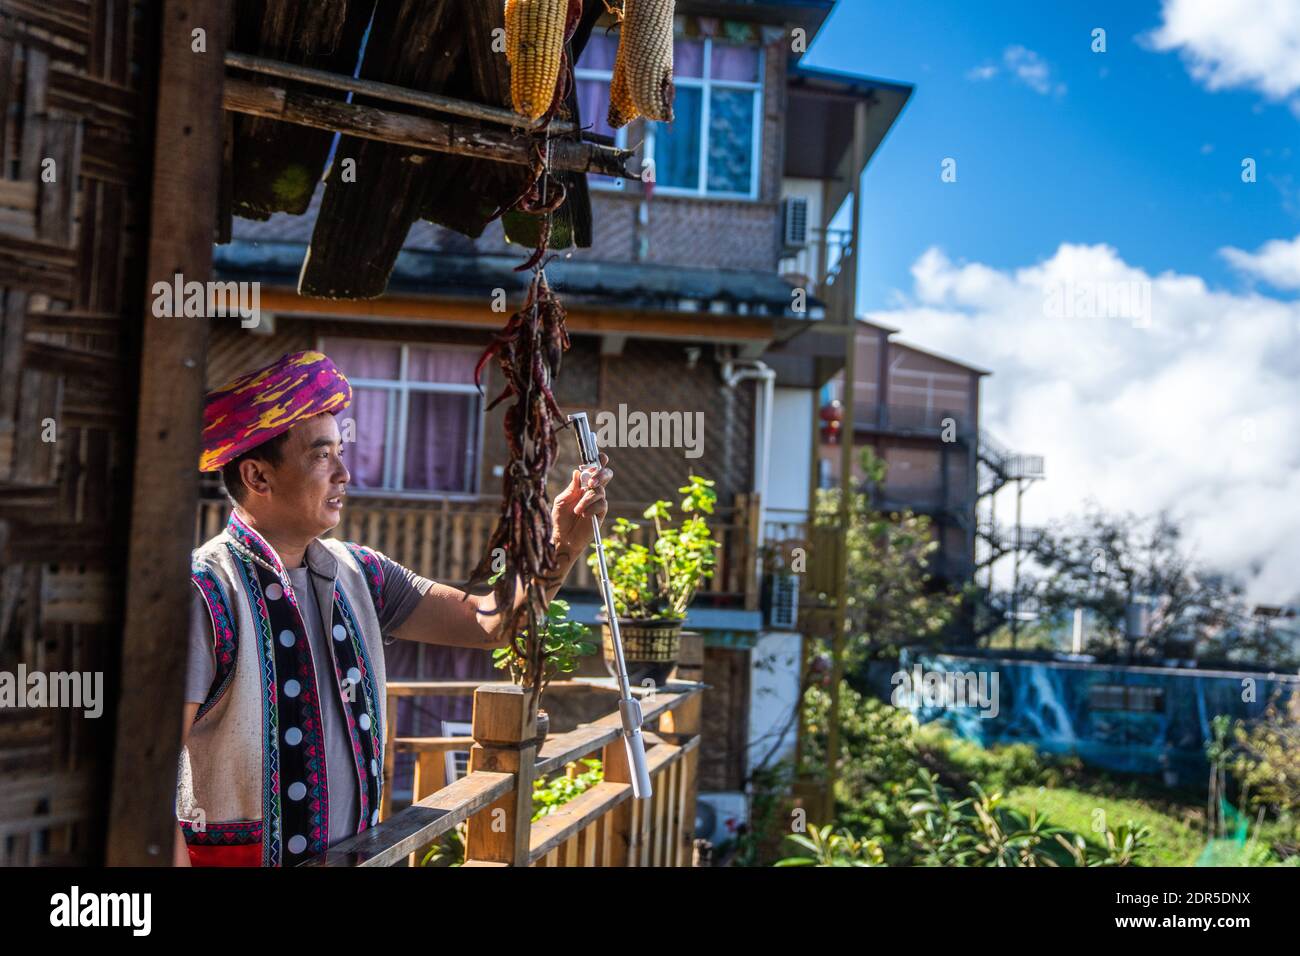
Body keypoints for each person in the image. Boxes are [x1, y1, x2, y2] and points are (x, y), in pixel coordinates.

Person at [175, 350, 611, 866]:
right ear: (257, 476)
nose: (344, 473)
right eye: (321, 455)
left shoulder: (361, 572)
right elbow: (150, 764)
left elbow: (487, 622)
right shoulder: (205, 591)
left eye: (340, 452)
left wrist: (562, 543)